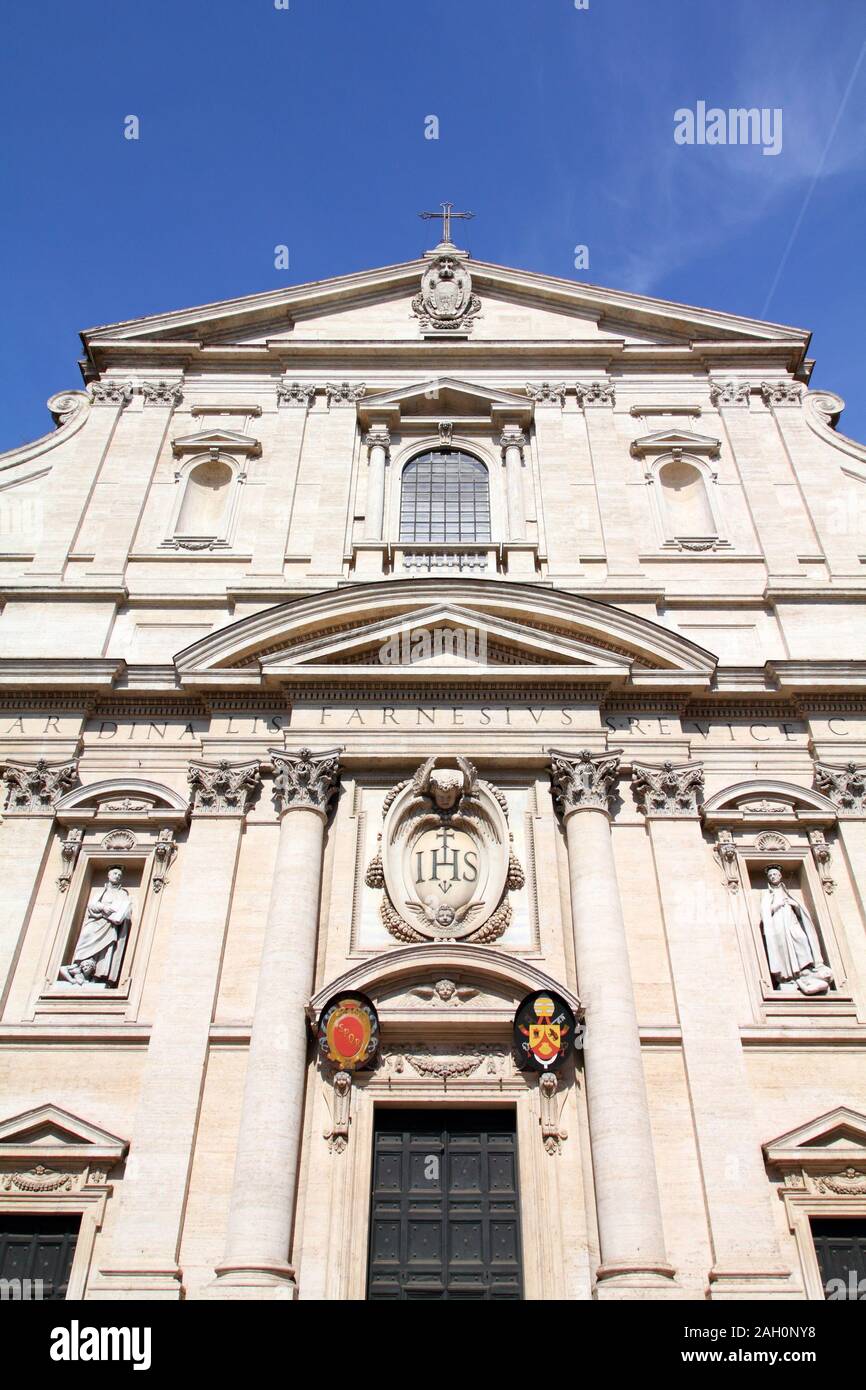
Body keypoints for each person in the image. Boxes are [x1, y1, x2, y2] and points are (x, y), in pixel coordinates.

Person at [759, 865, 832, 995]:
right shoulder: (767, 895)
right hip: (778, 925)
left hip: (792, 922)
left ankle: (806, 969)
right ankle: (789, 976)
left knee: (801, 939)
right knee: (784, 948)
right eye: (770, 875)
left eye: (774, 874)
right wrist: (777, 905)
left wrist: (795, 905)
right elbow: (765, 913)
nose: (772, 877)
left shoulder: (788, 892)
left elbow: (801, 912)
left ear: (780, 876)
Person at [59, 866, 132, 986]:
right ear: (108, 876)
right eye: (115, 873)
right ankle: (77, 967)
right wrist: (103, 907)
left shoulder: (123, 894)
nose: (117, 876)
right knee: (85, 941)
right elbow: (92, 905)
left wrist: (119, 914)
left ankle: (96, 976)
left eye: (119, 875)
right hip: (95, 922)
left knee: (105, 951)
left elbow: (125, 910)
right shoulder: (101, 892)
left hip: (110, 925)